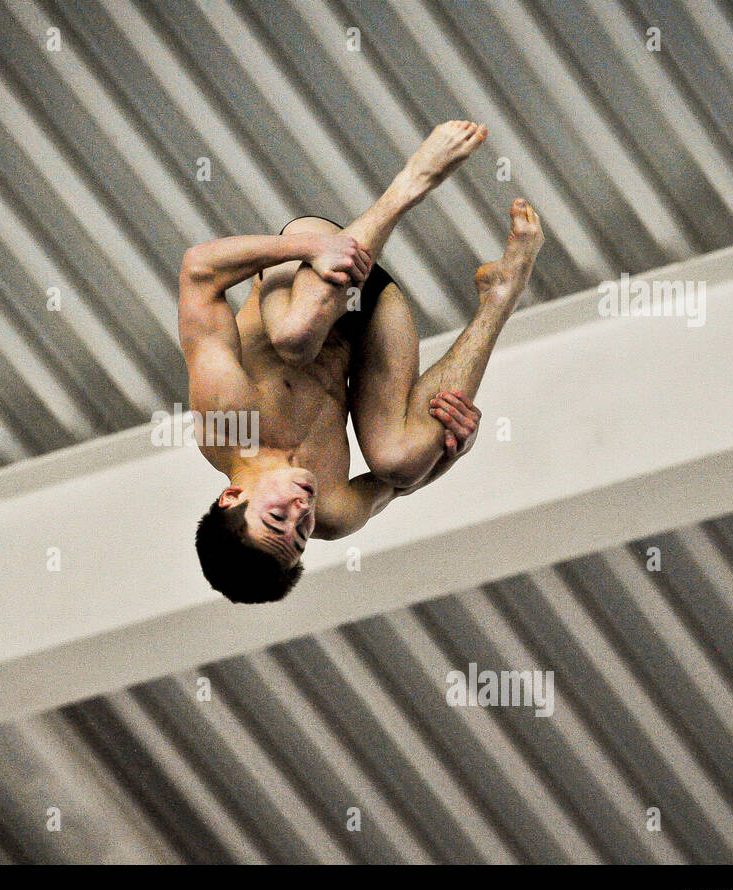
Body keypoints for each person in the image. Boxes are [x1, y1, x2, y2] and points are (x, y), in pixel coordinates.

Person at [179, 121, 544, 603]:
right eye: (301, 535)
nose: (301, 512)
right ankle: (501, 292)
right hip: (372, 312)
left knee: (294, 337)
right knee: (403, 460)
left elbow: (198, 273)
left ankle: (413, 181)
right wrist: (452, 447)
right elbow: (403, 486)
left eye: (276, 518)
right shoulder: (334, 512)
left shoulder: (230, 422)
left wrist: (309, 247)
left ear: (232, 498)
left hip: (313, 265)